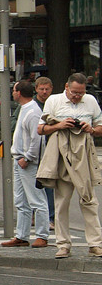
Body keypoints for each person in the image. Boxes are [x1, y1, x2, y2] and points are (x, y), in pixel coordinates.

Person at [35, 73, 102, 259]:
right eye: (74, 92)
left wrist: (91, 129)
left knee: (89, 200)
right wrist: (60, 125)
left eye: (81, 93)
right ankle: (63, 245)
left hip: (84, 152)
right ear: (66, 87)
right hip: (62, 153)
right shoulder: (54, 101)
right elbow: (41, 129)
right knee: (61, 202)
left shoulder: (90, 101)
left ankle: (95, 244)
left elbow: (100, 127)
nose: (77, 96)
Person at [1, 80, 49, 248]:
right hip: (20, 159)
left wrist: (28, 158)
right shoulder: (25, 109)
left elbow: (37, 139)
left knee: (36, 199)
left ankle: (42, 235)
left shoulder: (33, 111)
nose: (13, 93)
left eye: (14, 90)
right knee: (21, 200)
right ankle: (22, 235)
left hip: (26, 161)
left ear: (19, 93)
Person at [34, 76, 56, 229]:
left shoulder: (54, 104)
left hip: (50, 147)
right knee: (33, 185)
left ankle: (50, 217)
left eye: (47, 89)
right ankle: (36, 215)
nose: (44, 92)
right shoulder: (31, 105)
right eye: (41, 89)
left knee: (48, 183)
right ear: (36, 89)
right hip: (35, 149)